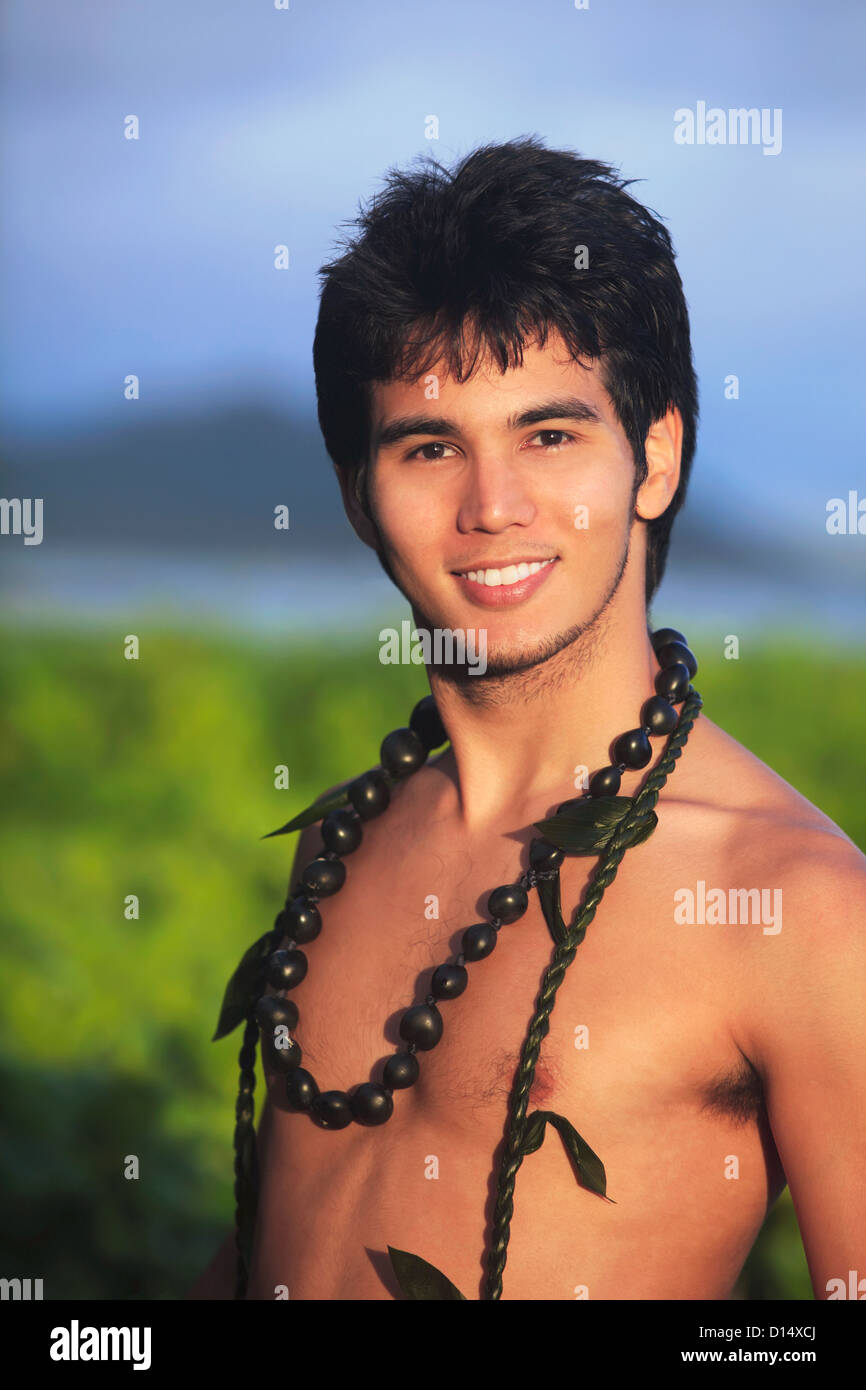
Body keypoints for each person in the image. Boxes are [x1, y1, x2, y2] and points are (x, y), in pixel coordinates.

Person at [189, 137, 866, 1301]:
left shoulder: (797, 911)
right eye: (428, 445)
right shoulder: (341, 839)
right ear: (359, 497)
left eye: (549, 435)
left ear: (652, 458)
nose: (492, 506)